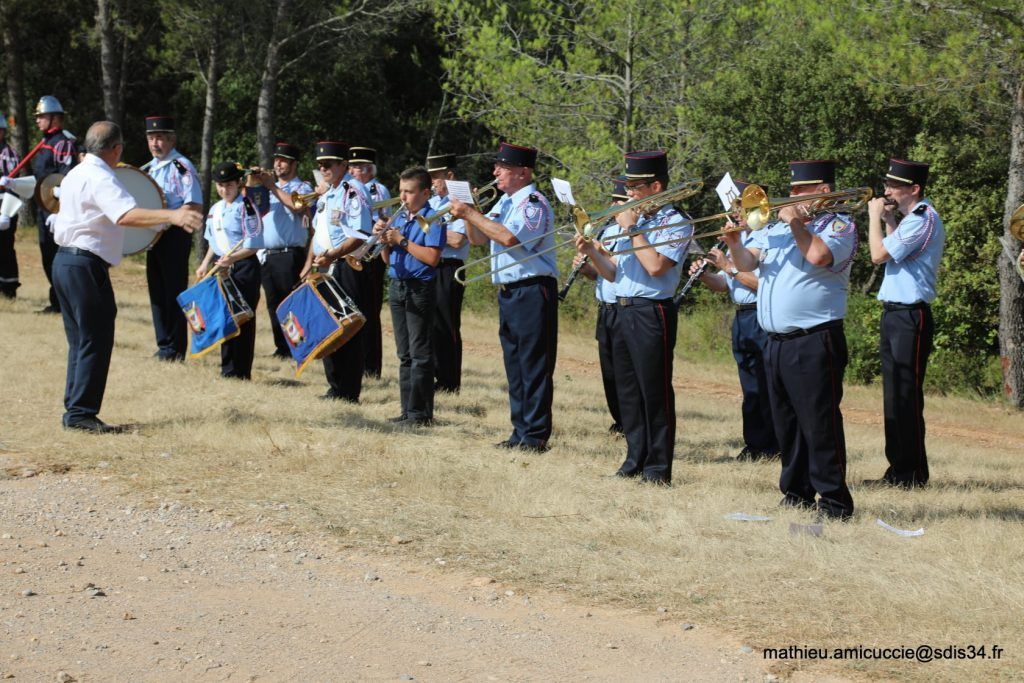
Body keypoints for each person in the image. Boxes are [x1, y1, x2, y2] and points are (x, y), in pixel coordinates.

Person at [51, 121, 203, 432]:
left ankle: (74, 409)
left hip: (64, 262)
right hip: (84, 265)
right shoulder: (101, 176)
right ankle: (81, 414)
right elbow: (125, 214)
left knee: (80, 341)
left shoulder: (76, 173)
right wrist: (172, 215)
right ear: (116, 148)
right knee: (95, 339)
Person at [725, 160, 857, 520]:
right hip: (776, 340)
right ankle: (796, 492)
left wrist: (796, 220)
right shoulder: (777, 229)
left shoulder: (840, 225)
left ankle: (834, 500)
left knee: (819, 422)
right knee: (786, 422)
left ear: (824, 191)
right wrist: (735, 243)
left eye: (801, 189)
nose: (792, 195)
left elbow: (818, 255)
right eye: (793, 189)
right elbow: (748, 264)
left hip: (814, 339)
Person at [576, 151, 692, 485]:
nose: (629, 194)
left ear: (656, 185)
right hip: (622, 308)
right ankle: (634, 457)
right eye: (627, 187)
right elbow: (612, 274)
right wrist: (592, 253)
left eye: (636, 187)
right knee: (627, 390)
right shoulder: (627, 221)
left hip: (652, 310)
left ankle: (658, 467)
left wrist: (631, 230)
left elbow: (656, 267)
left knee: (654, 390)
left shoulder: (676, 221)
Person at [448, 142, 558, 452]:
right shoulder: (506, 203)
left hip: (533, 289)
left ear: (523, 172)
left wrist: (471, 211)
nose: (495, 171)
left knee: (534, 365)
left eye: (503, 168)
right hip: (510, 291)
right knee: (515, 364)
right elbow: (480, 238)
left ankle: (536, 436)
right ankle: (519, 431)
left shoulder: (532, 203)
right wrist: (469, 216)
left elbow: (510, 238)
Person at [866, 158, 945, 488]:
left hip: (911, 315)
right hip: (896, 314)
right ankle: (898, 469)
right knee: (894, 396)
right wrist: (886, 220)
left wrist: (872, 219)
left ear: (913, 189)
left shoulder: (923, 218)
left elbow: (878, 255)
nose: (887, 191)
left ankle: (911, 474)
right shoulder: (910, 220)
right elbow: (897, 250)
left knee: (906, 397)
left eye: (893, 187)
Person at [687, 180, 779, 461]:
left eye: (739, 209)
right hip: (741, 315)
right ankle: (754, 445)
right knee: (749, 386)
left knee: (768, 385)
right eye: (733, 209)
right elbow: (723, 285)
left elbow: (762, 284)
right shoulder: (738, 240)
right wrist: (703, 274)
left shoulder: (767, 237)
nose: (734, 215)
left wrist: (728, 267)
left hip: (761, 313)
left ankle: (775, 444)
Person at [302, 140, 372, 402]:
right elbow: (319, 232)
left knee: (348, 328)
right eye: (320, 165)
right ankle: (335, 385)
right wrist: (312, 262)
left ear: (343, 165)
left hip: (345, 265)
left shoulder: (352, 192)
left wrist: (333, 254)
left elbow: (360, 234)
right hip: (325, 266)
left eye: (328, 164)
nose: (323, 169)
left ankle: (349, 390)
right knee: (327, 327)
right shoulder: (327, 194)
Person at [375, 166, 445, 425]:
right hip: (397, 284)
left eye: (409, 192)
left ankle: (421, 414)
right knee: (404, 353)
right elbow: (386, 260)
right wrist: (384, 241)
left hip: (419, 287)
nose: (402, 197)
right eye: (401, 191)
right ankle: (407, 410)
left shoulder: (432, 218)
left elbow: (432, 258)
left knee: (420, 353)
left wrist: (402, 241)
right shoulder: (400, 218)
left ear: (425, 193)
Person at [195, 162, 265, 380]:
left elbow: (254, 244)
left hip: (243, 267)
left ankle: (242, 371)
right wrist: (205, 263)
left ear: (238, 184)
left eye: (229, 185)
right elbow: (213, 242)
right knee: (224, 317)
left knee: (243, 318)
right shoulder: (215, 209)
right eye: (220, 185)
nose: (224, 190)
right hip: (221, 267)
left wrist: (232, 258)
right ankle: (228, 368)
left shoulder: (247, 207)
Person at [142, 116, 203, 361]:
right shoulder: (147, 169)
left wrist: (171, 220)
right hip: (153, 236)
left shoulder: (181, 166)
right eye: (150, 138)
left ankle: (175, 348)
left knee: (173, 291)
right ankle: (163, 344)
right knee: (156, 291)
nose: (155, 143)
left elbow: (194, 204)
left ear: (171, 140)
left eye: (159, 138)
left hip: (174, 235)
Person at [572, 175, 629, 434]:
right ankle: (619, 419)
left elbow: (620, 271)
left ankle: (630, 422)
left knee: (625, 370)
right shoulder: (607, 230)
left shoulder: (632, 232)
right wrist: (586, 268)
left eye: (621, 201)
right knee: (609, 372)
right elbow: (602, 273)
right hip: (604, 307)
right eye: (615, 201)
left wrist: (600, 253)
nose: (615, 206)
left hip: (622, 308)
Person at [257, 142, 313, 359]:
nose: (278, 164)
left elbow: (298, 207)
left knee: (291, 303)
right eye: (276, 160)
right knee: (273, 305)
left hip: (290, 253)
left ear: (294, 164)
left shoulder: (302, 187)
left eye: (283, 161)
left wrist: (272, 187)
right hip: (268, 254)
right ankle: (283, 348)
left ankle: (298, 346)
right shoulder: (269, 188)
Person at [426, 153, 469, 393]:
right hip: (431, 265)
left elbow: (457, 240)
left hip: (449, 268)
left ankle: (449, 381)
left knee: (447, 325)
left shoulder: (461, 201)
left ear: (449, 176)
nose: (432, 182)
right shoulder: (433, 202)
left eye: (436, 177)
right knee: (431, 325)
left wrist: (429, 233)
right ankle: (434, 375)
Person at [32, 96, 78, 314]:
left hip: (58, 211)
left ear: (55, 118)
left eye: (42, 117)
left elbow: (66, 178)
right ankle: (56, 301)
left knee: (60, 258)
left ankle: (65, 302)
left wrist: (58, 210)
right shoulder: (44, 144)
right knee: (47, 257)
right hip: (43, 209)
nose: (38, 121)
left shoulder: (63, 143)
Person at [349, 146, 388, 378]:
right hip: (356, 252)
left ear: (369, 170)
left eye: (357, 167)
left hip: (371, 254)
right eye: (351, 166)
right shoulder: (352, 189)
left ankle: (371, 366)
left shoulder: (377, 190)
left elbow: (382, 220)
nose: (352, 171)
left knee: (370, 312)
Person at [0, 114, 21, 298]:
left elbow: (14, 185)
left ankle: (8, 288)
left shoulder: (9, 154)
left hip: (4, 207)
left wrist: (5, 213)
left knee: (5, 248)